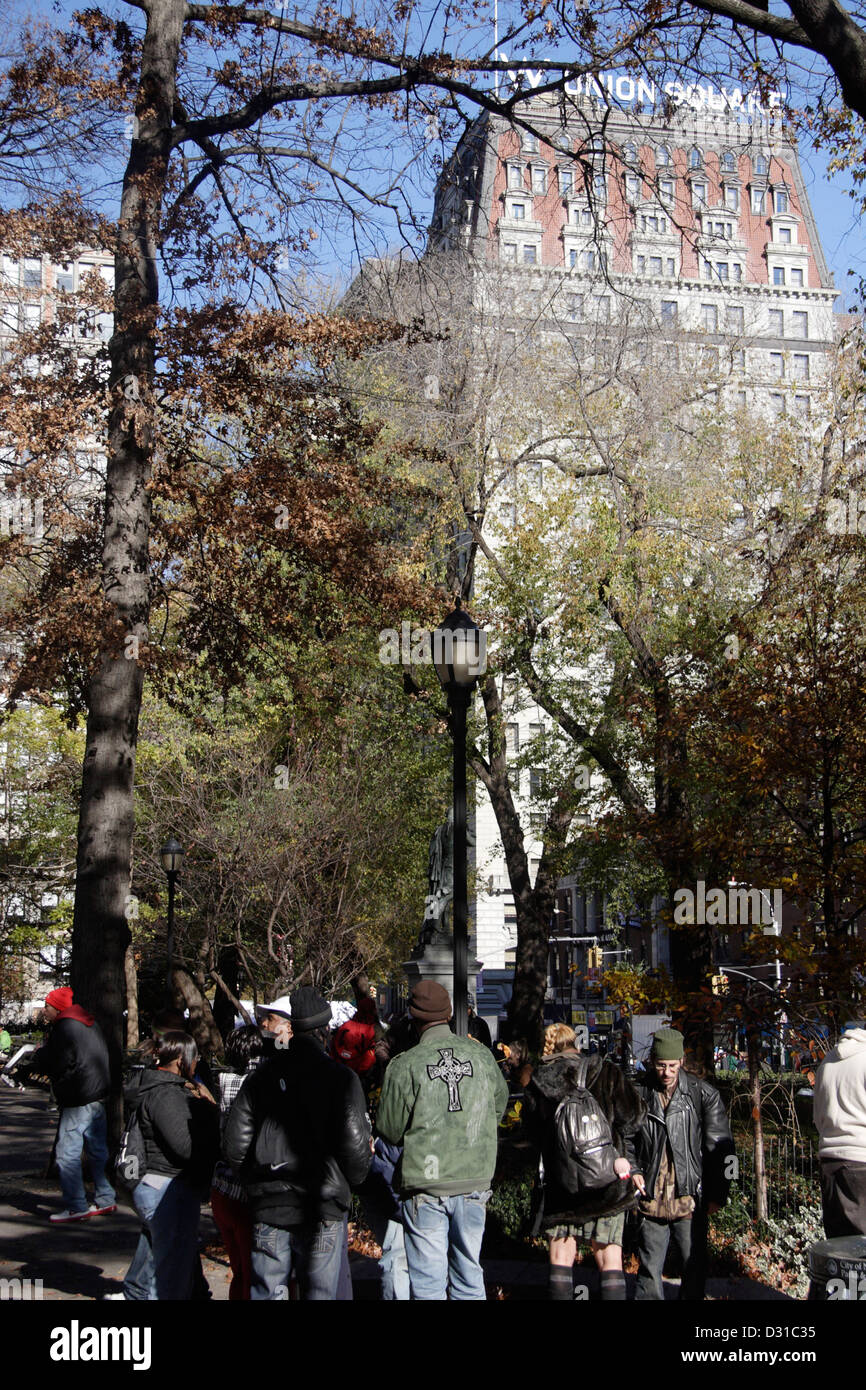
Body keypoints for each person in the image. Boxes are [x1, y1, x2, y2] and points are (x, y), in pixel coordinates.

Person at [223, 985, 371, 1300]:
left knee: (269, 1292)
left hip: (271, 1203)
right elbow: (356, 1149)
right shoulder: (341, 1078)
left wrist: (258, 1181)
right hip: (322, 1204)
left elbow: (235, 1146)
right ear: (324, 1031)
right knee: (319, 1293)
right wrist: (349, 1184)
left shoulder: (261, 1077)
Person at [375, 979, 509, 1301]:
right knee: (468, 1274)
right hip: (473, 1179)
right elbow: (499, 1106)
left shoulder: (404, 1065)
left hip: (426, 1184)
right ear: (449, 1013)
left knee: (428, 1282)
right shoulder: (480, 1056)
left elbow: (390, 1129)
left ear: (413, 1017)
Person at [523, 1022, 646, 1301]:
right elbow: (635, 1117)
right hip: (607, 1184)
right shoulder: (607, 1072)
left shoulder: (540, 1082)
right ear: (576, 1043)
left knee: (560, 1257)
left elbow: (530, 1134)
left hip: (562, 1186)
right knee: (609, 1257)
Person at [633, 1027, 734, 1301]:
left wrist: (718, 1194)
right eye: (660, 1065)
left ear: (681, 1063)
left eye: (672, 1066)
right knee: (648, 1272)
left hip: (689, 1198)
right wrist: (632, 1169)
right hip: (650, 1197)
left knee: (694, 1269)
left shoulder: (703, 1095)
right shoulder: (639, 1093)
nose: (666, 1072)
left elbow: (722, 1149)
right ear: (652, 1062)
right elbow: (624, 1138)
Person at [123, 1030, 219, 1300]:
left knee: (164, 1257)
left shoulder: (154, 1087)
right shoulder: (167, 1095)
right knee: (170, 1277)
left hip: (155, 1184)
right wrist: (209, 1112)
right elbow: (185, 1147)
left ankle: (136, 1290)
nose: (197, 1062)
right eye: (195, 1056)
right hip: (167, 1186)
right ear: (180, 1059)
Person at [22, 986, 116, 1223]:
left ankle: (76, 1206)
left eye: (47, 1006)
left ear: (58, 1008)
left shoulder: (65, 1027)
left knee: (66, 1154)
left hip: (78, 1097)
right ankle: (106, 1198)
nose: (44, 1011)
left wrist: (37, 1063)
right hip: (97, 1094)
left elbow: (60, 1060)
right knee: (97, 1151)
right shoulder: (87, 1023)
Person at [210, 1024, 265, 1299]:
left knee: (239, 1269)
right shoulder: (260, 1084)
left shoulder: (222, 1081)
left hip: (222, 1187)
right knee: (255, 1272)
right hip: (248, 1191)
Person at [813, 1021, 866, 1237]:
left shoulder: (826, 1063)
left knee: (841, 1248)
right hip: (862, 1160)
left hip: (830, 1163)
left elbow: (817, 1118)